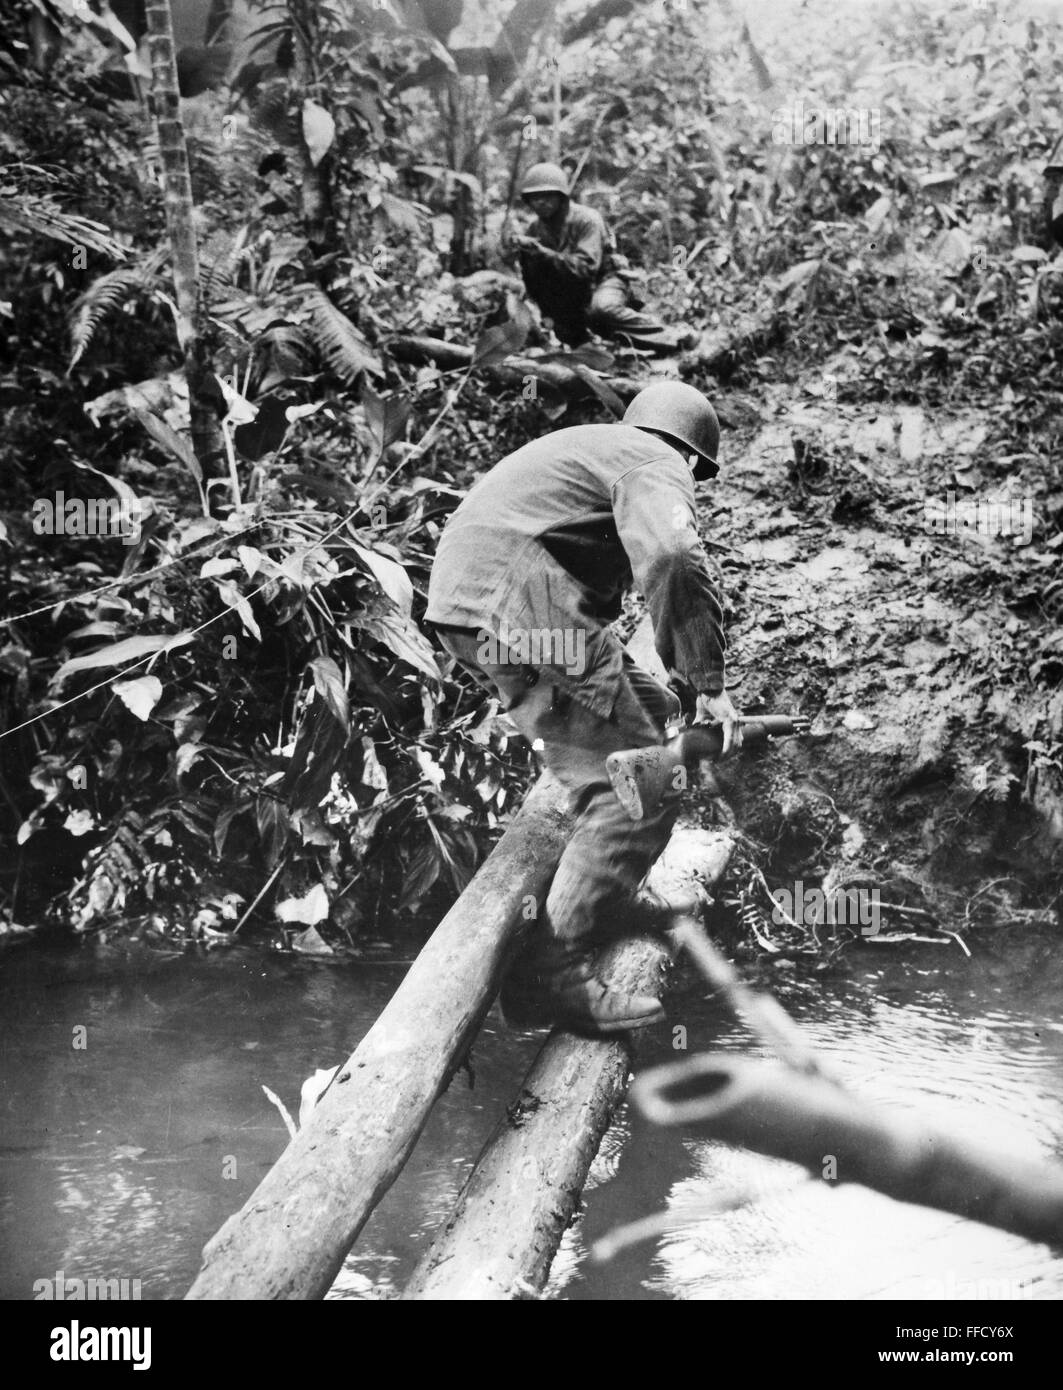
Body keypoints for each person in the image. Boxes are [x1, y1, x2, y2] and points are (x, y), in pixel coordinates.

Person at [426, 381, 740, 1036]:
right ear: (688, 454)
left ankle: (604, 895)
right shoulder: (653, 461)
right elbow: (675, 557)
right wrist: (708, 682)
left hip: (476, 602)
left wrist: (677, 684)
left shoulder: (594, 452)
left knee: (646, 709)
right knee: (639, 784)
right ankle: (550, 976)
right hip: (521, 599)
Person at [509, 162, 692, 353]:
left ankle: (674, 337)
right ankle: (588, 344)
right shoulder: (535, 229)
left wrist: (543, 253)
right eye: (535, 198)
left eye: (547, 196)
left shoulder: (587, 219)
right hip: (570, 293)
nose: (540, 202)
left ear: (560, 197)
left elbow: (586, 268)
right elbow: (536, 280)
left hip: (605, 280)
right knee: (568, 332)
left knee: (602, 310)